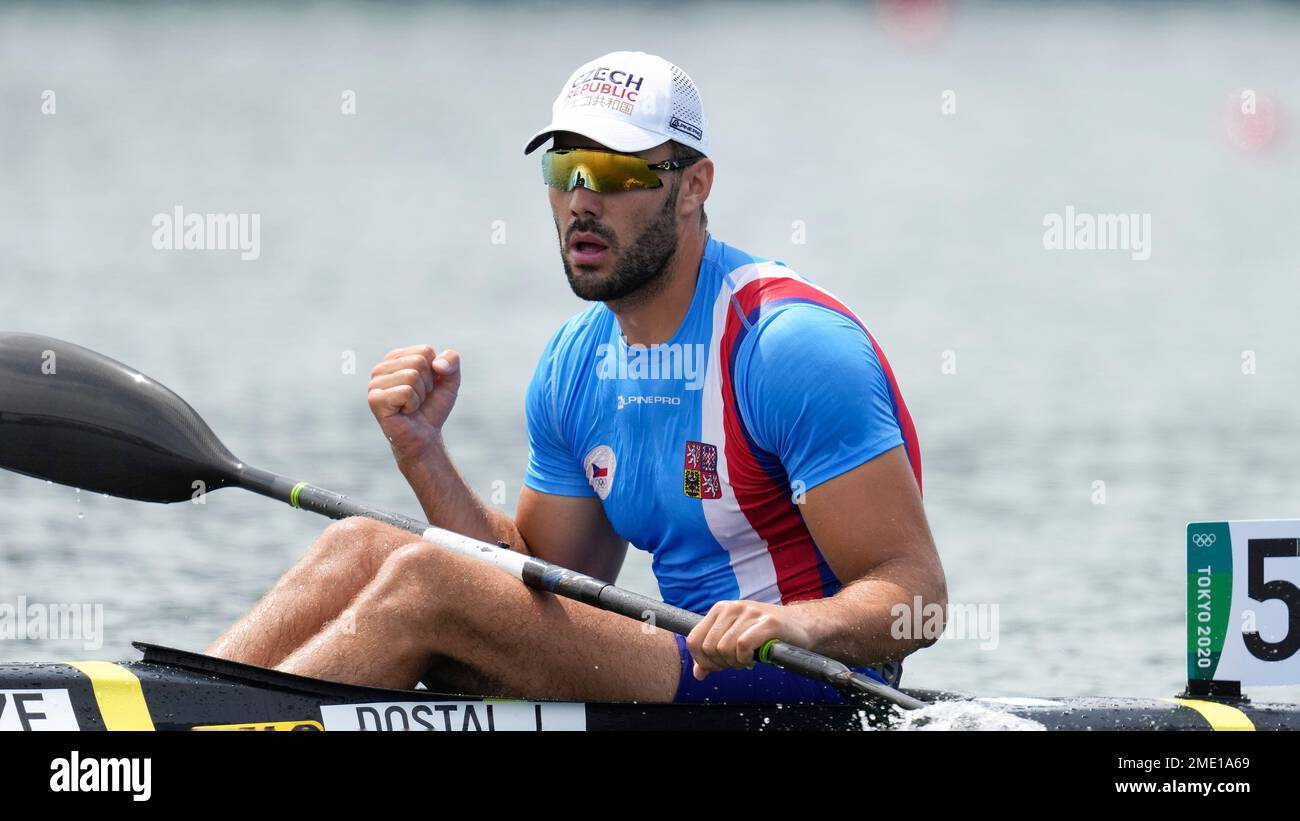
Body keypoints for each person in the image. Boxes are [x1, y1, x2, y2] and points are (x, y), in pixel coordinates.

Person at [206, 51, 946, 704]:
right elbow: (538, 576)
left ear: (694, 187)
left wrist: (794, 621)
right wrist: (423, 454)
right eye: (565, 169)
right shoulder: (577, 360)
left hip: (806, 682)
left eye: (619, 171)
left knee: (426, 583)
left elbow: (917, 594)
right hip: (678, 660)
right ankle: (171, 708)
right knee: (362, 544)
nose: (582, 200)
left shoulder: (787, 348)